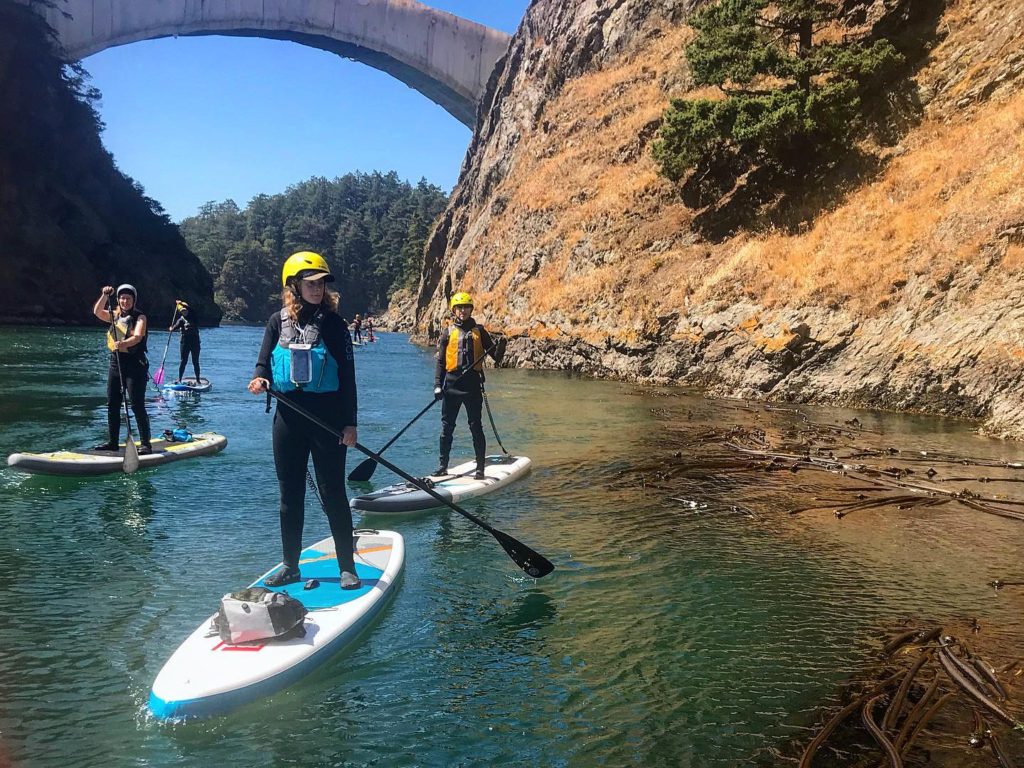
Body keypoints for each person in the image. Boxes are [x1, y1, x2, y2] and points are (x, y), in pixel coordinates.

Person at [247, 251, 361, 589]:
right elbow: (263, 363)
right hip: (288, 419)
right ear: (294, 286)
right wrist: (260, 379)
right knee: (290, 494)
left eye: (321, 283)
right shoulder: (276, 321)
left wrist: (350, 424)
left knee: (333, 493)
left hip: (328, 421)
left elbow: (348, 377)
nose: (317, 288)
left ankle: (347, 567)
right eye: (310, 283)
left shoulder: (336, 325)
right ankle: (290, 565)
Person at [433, 291, 505, 480]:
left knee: (475, 426)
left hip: (472, 386)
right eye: (459, 308)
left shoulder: (480, 332)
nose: (462, 311)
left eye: (466, 307)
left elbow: (496, 357)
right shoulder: (447, 332)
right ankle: (442, 466)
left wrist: (502, 345)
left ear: (471, 309)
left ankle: (480, 468)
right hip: (452, 386)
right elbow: (441, 362)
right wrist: (437, 386)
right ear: (454, 311)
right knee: (447, 427)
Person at [92, 284, 153, 454]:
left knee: (136, 404)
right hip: (116, 363)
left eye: (128, 298)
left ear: (134, 300)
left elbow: (138, 336)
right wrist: (105, 295)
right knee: (113, 403)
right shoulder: (115, 315)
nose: (125, 301)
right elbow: (97, 312)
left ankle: (146, 444)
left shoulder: (140, 317)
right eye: (122, 298)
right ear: (118, 300)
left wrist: (123, 343)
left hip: (135, 365)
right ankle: (113, 442)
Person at [169, 300, 201, 383]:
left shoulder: (193, 316)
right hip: (185, 342)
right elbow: (175, 326)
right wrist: (172, 328)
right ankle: (180, 378)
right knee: (183, 361)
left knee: (195, 361)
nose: (184, 312)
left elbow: (190, 308)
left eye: (185, 310)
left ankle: (198, 379)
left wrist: (180, 304)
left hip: (195, 342)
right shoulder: (181, 320)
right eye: (182, 311)